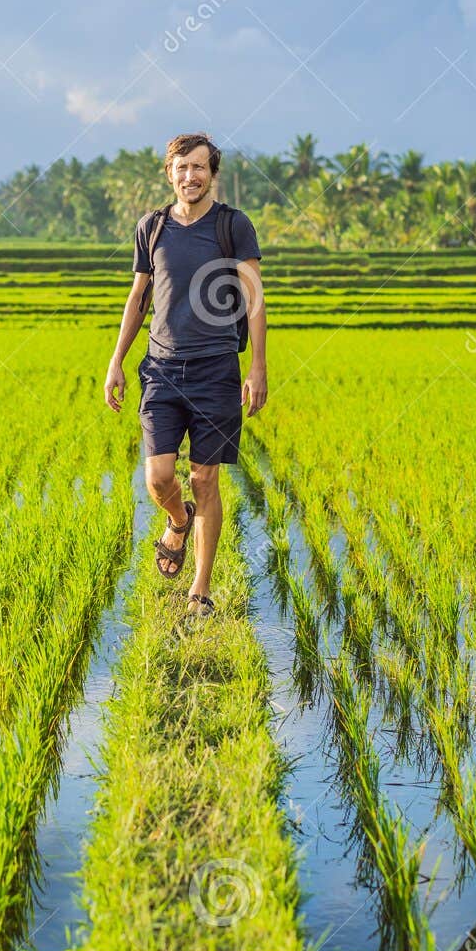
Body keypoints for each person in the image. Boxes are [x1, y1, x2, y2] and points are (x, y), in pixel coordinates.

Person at [103, 132, 267, 617]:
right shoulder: (152, 227)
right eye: (181, 168)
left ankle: (200, 590)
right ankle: (178, 521)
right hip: (160, 370)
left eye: (199, 168)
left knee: (205, 479)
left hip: (216, 369)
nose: (190, 177)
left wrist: (256, 366)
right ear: (169, 174)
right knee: (158, 479)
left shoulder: (233, 226)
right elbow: (139, 299)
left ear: (212, 174)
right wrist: (116, 359)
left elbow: (254, 298)